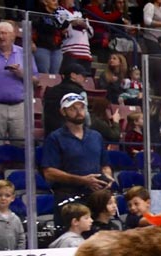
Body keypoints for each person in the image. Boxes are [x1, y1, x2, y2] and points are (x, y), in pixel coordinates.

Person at [41, 93, 114, 231]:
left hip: (94, 198)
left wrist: (107, 177)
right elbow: (49, 172)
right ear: (63, 111)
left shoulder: (96, 136)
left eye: (81, 107)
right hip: (69, 199)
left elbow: (105, 165)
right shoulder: (55, 138)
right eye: (73, 108)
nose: (78, 111)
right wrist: (82, 180)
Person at [0, 21, 37, 145]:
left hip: (20, 107)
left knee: (22, 145)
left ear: (13, 35)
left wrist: (22, 74)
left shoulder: (25, 54)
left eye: (4, 33)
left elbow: (36, 81)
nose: (1, 37)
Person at [0, 180, 26, 251]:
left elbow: (21, 238)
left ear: (12, 198)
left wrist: (18, 253)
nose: (3, 198)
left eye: (7, 195)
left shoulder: (15, 218)